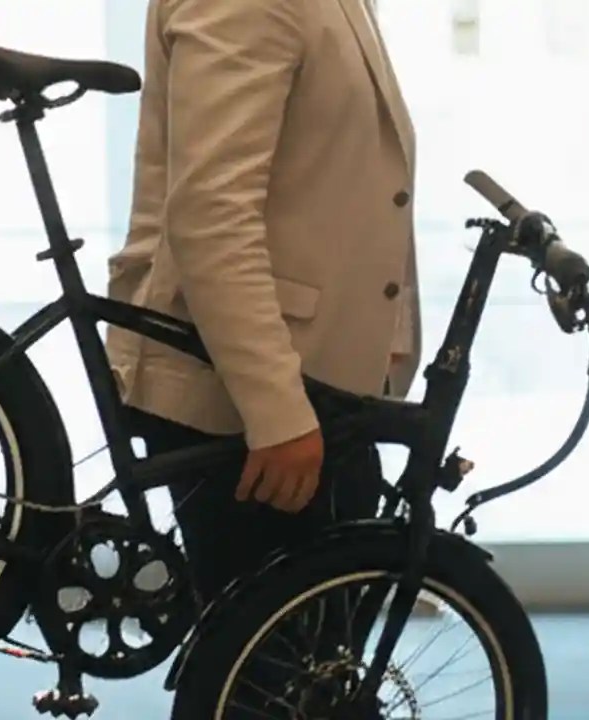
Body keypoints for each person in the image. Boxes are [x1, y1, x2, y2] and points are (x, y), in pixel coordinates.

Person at [105, 0, 421, 606]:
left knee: (308, 675)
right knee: (264, 685)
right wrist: (278, 414)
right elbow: (211, 217)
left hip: (318, 386)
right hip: (256, 404)